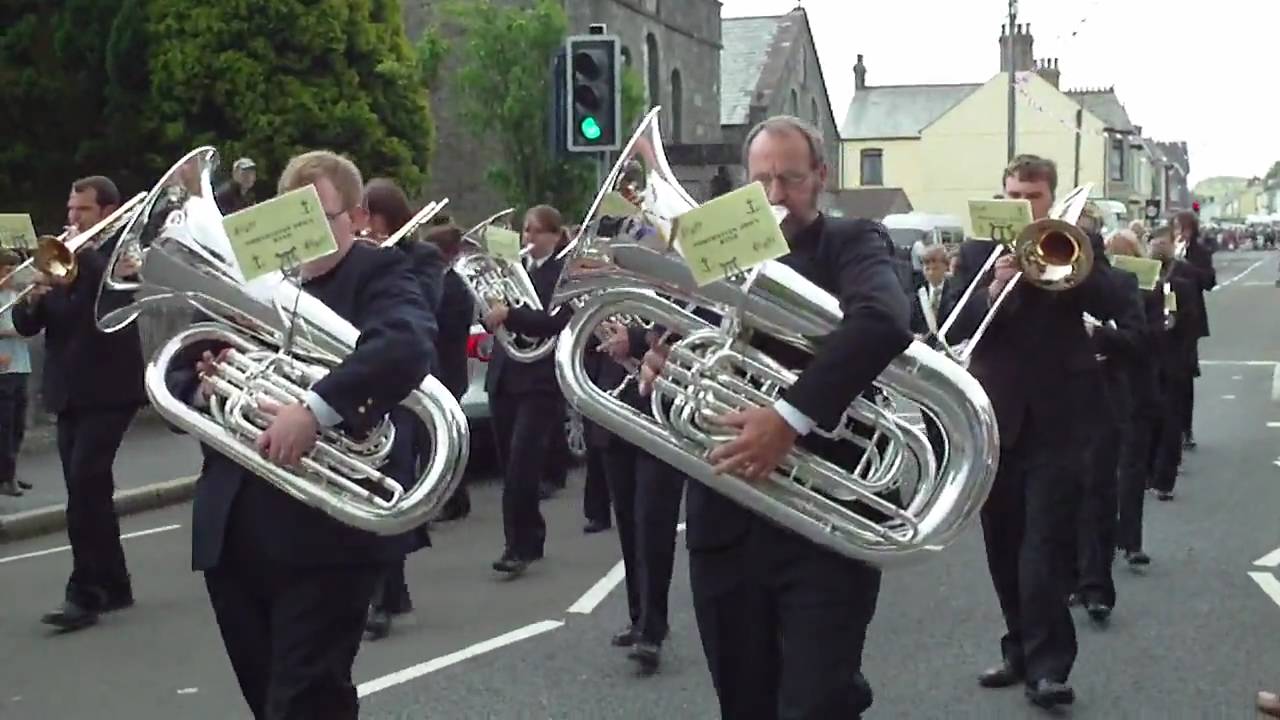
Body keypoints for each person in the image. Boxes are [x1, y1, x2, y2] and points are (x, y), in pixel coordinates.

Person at [640, 115, 912, 719]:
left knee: (818, 702)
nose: (775, 196)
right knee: (744, 705)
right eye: (761, 180)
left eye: (789, 179)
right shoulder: (720, 248)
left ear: (821, 177)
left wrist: (787, 417)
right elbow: (692, 347)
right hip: (726, 517)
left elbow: (884, 321)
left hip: (823, 525)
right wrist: (660, 362)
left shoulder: (853, 241)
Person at [165, 150, 436, 719]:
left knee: (302, 702)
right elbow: (180, 366)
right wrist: (209, 385)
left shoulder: (380, 273)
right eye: (289, 219)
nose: (300, 237)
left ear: (357, 217)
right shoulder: (249, 282)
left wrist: (314, 409)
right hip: (233, 533)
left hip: (326, 536)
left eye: (317, 218)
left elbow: (405, 345)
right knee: (274, 703)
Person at [951, 154, 1123, 709]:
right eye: (1013, 195)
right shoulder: (980, 250)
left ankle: (1050, 668)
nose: (1023, 205)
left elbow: (1116, 301)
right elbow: (952, 318)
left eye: (1033, 196)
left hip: (1060, 417)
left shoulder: (1072, 244)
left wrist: (1077, 263)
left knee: (1043, 549)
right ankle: (1018, 651)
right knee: (1002, 546)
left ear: (1052, 199)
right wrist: (991, 288)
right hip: (996, 419)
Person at [14, 175, 147, 631]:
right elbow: (29, 325)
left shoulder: (121, 256)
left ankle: (84, 592)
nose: (72, 219)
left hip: (111, 389)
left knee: (85, 484)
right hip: (69, 390)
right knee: (87, 489)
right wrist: (33, 298)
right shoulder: (59, 261)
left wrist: (80, 259)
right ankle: (115, 582)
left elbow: (113, 309)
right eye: (70, 210)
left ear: (107, 212)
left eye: (82, 211)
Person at [357, 177, 446, 640]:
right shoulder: (355, 260)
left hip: (405, 388)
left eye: (370, 215)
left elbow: (425, 307)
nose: (363, 224)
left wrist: (385, 259)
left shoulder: (421, 257)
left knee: (391, 481)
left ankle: (382, 595)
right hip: (360, 385)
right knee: (367, 487)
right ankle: (389, 590)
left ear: (389, 217)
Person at [481, 205, 572, 574]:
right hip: (504, 376)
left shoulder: (561, 273)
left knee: (522, 465)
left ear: (554, 234)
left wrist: (510, 315)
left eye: (535, 232)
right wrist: (488, 311)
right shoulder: (510, 270)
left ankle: (519, 547)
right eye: (525, 231)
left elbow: (555, 321)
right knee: (509, 466)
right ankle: (524, 539)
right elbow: (489, 316)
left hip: (538, 381)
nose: (528, 239)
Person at [422, 222, 476, 523]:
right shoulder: (440, 283)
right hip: (440, 368)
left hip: (448, 368)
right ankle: (453, 498)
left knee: (446, 437)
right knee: (436, 437)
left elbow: (445, 328)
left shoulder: (454, 286)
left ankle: (456, 500)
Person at [1171, 211, 1215, 450]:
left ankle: (1185, 428)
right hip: (1165, 317)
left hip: (1190, 319)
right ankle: (1169, 428)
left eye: (1184, 228)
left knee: (1184, 375)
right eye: (1177, 228)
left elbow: (1209, 282)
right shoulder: (1165, 248)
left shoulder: (1199, 252)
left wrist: (1186, 266)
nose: (1180, 233)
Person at [0, 251, 32, 497]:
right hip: (3, 366)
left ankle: (11, 473)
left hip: (20, 364)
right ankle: (5, 478)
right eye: (7, 268)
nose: (12, 273)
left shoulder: (17, 295)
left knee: (18, 425)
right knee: (5, 426)